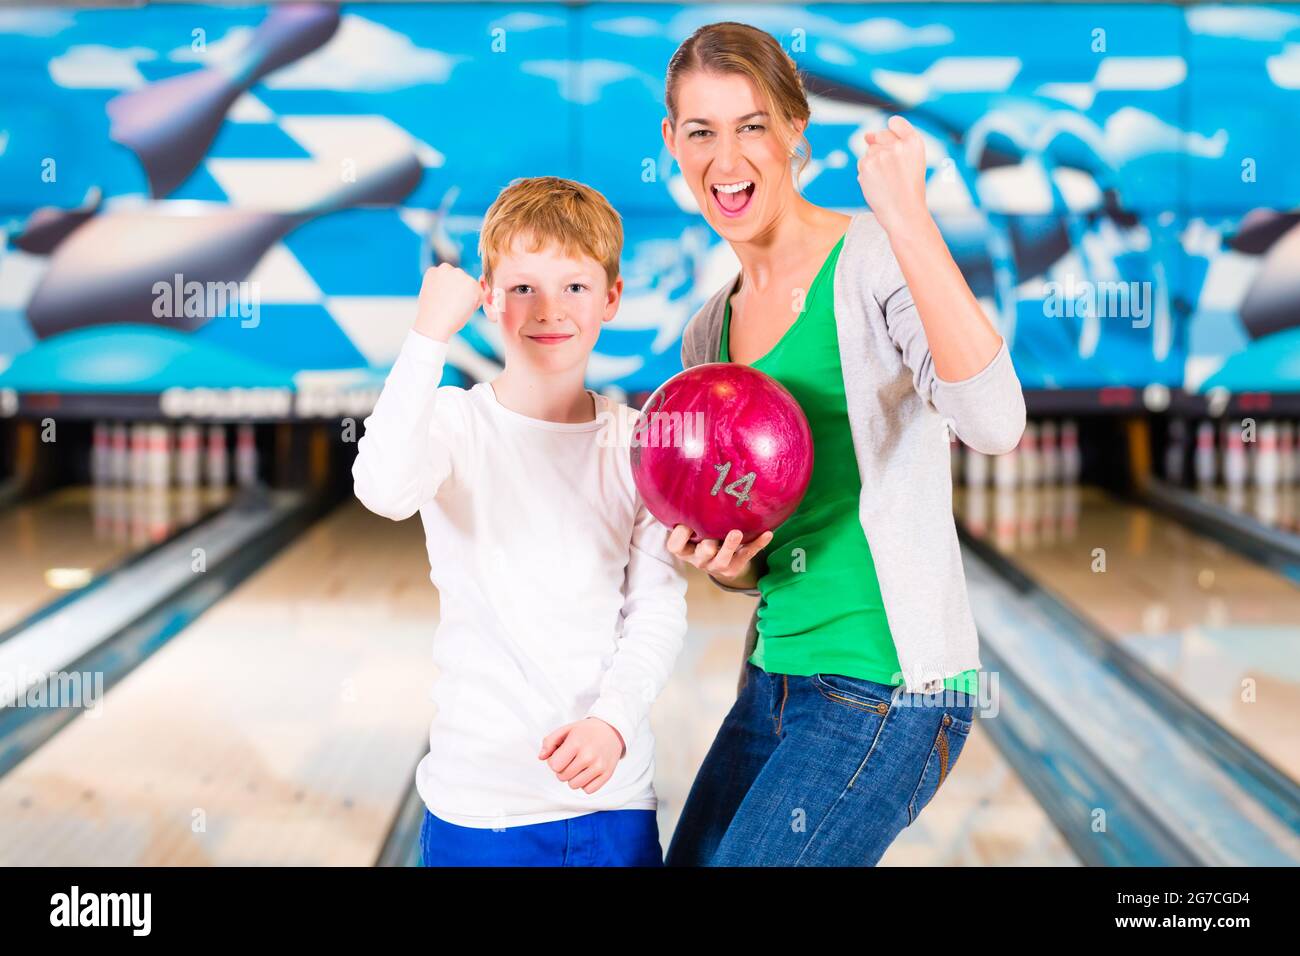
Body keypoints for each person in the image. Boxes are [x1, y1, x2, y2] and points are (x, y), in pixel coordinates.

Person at [658, 22, 1026, 866]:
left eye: (752, 125)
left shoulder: (871, 260)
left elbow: (996, 422)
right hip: (775, 682)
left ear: (795, 130)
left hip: (891, 688)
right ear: (671, 141)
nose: (727, 157)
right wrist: (729, 564)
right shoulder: (704, 337)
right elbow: (760, 553)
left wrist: (909, 223)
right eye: (702, 131)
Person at [353, 176, 688, 866]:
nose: (548, 310)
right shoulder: (453, 423)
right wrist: (426, 336)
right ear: (487, 297)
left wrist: (612, 723)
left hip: (610, 802)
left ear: (611, 300)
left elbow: (656, 611)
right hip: (478, 806)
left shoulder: (639, 443)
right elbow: (383, 488)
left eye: (574, 287)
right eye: (522, 287)